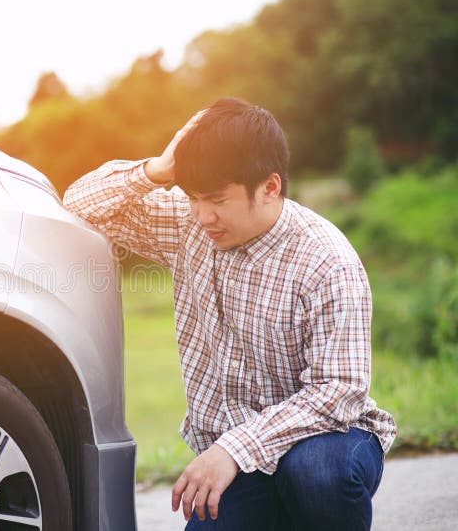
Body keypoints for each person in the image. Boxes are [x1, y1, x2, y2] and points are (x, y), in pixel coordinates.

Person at [62, 97, 396, 531]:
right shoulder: (188, 225)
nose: (203, 215)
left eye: (217, 199)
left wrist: (234, 449)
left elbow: (338, 392)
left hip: (327, 442)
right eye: (194, 198)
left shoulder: (327, 263)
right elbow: (78, 204)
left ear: (270, 187)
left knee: (315, 473)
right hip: (242, 463)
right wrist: (158, 170)